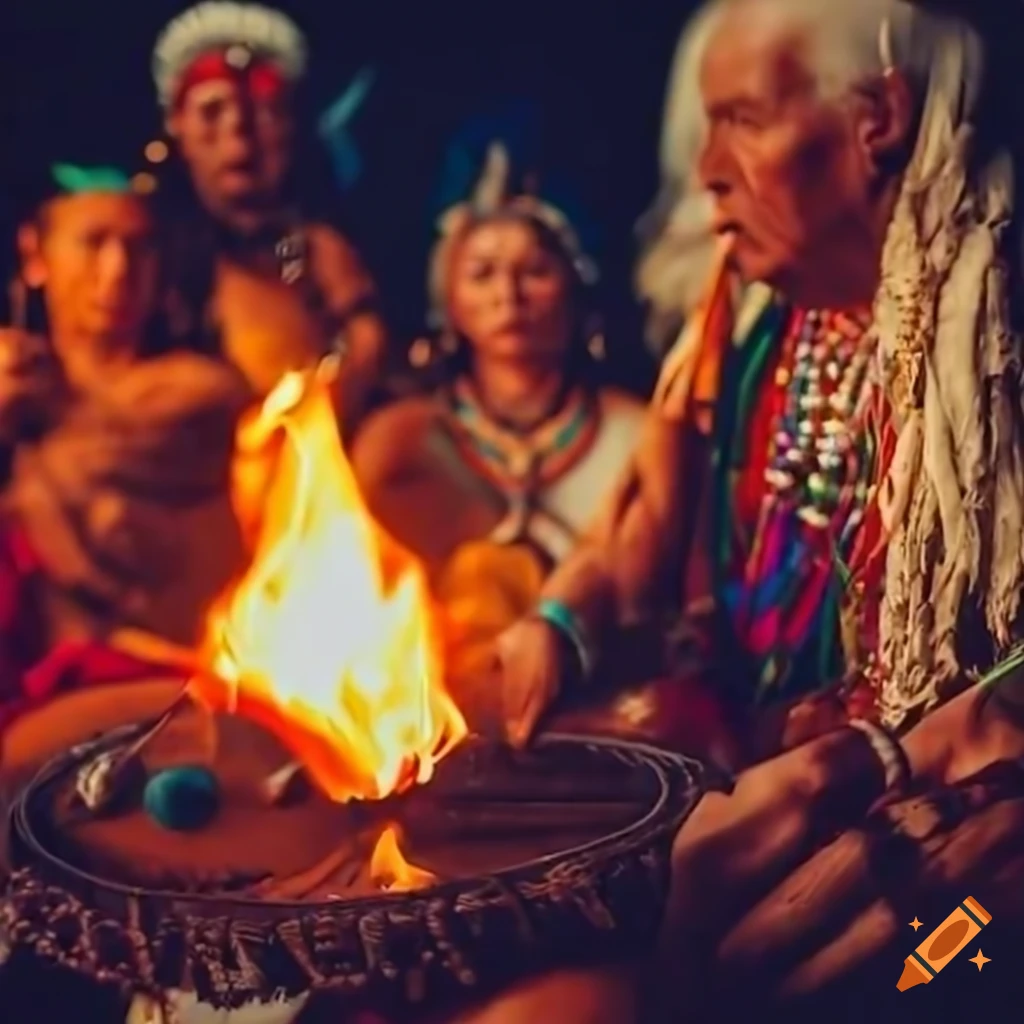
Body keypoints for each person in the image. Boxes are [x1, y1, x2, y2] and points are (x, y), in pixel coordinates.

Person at [639, 0, 1024, 1015]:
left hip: (965, 871)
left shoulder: (992, 343)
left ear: (877, 118)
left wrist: (931, 748)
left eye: (743, 118)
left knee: (947, 965)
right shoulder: (752, 336)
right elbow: (635, 536)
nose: (708, 170)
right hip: (770, 779)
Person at [352, 123, 644, 690]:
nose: (507, 294)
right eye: (481, 273)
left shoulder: (636, 435)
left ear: (577, 289)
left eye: (534, 271)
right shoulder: (399, 443)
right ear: (449, 304)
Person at [0, 153, 253, 728]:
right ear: (35, 255)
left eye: (140, 247)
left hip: (168, 690)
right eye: (94, 243)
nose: (118, 270)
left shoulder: (193, 392)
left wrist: (48, 410)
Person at [152, 1, 386, 426]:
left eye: (262, 111)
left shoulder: (320, 252)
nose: (238, 134)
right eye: (211, 111)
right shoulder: (146, 252)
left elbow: (366, 350)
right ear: (178, 126)